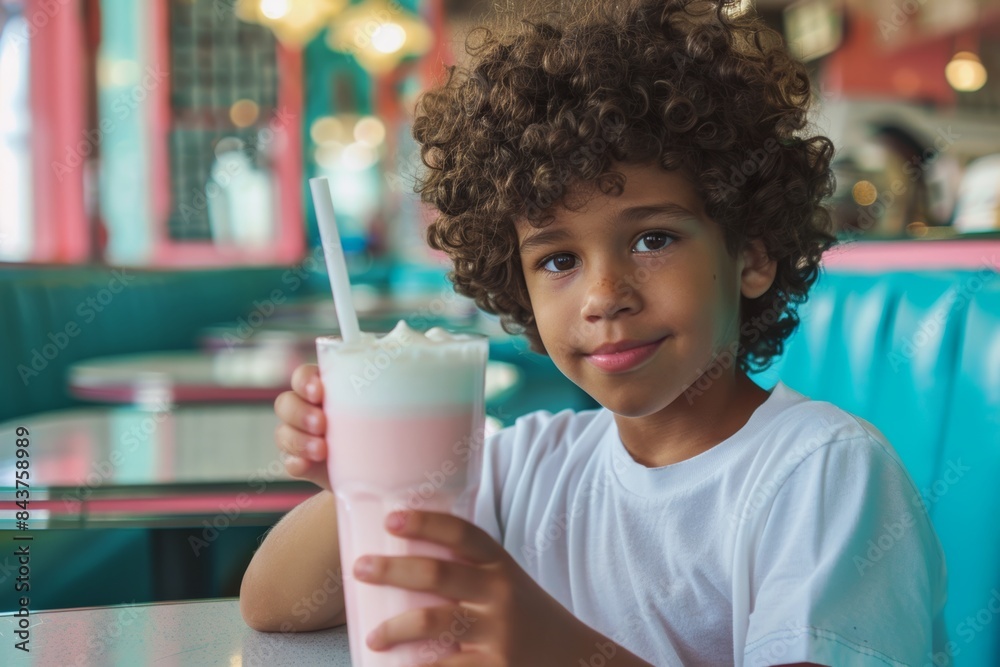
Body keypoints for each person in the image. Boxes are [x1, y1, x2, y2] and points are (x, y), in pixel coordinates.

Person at [240, 1, 948, 664]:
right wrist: (362, 481)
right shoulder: (526, 469)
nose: (604, 295)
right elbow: (272, 601)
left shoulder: (822, 473)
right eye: (558, 259)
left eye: (652, 239)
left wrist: (566, 652)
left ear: (752, 255)